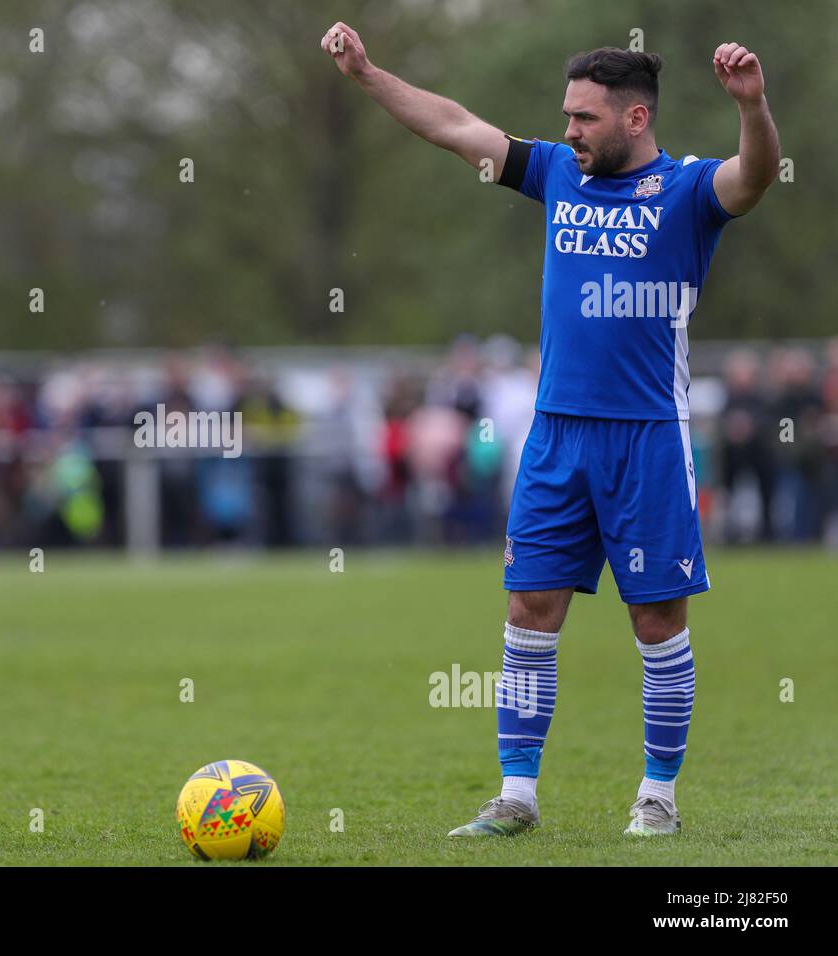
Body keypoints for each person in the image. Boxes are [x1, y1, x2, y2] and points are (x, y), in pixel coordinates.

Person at [323, 23, 780, 837]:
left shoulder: (687, 192)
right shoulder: (558, 179)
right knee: (528, 610)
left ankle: (658, 799)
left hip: (647, 438)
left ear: (635, 120)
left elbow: (756, 178)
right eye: (566, 116)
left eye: (584, 118)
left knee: (656, 623)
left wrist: (752, 106)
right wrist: (367, 74)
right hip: (556, 436)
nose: (568, 131)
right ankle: (517, 798)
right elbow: (455, 126)